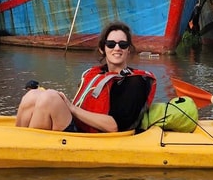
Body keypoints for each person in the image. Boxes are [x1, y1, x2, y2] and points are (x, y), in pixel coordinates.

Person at [15, 22, 156, 133]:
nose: (117, 48)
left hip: (93, 138)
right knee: (33, 95)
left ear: (128, 49)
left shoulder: (135, 82)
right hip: (79, 127)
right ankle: (15, 140)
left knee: (49, 98)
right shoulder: (97, 74)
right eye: (111, 44)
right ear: (103, 48)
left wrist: (71, 108)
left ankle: (25, 150)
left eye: (123, 44)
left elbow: (114, 126)